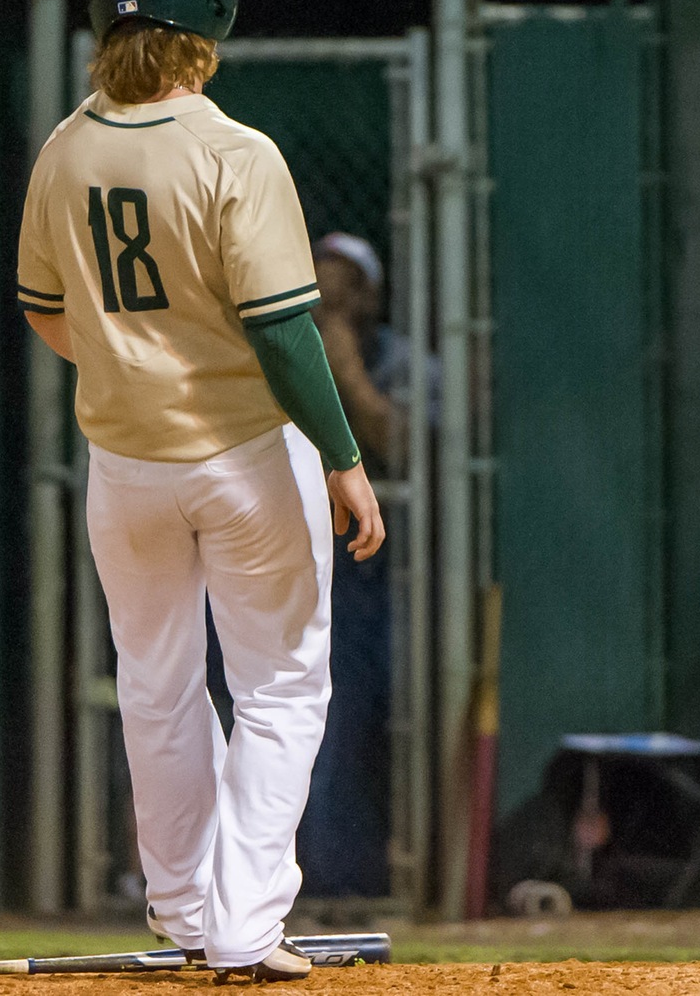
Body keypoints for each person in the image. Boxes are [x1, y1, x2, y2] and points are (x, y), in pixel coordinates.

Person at [17, 0, 382, 984]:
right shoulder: (235, 151)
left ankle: (183, 909)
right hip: (242, 454)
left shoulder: (66, 146)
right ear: (209, 18)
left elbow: (43, 307)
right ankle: (243, 925)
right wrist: (343, 456)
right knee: (280, 687)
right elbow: (284, 330)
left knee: (156, 686)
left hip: (123, 464)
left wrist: (128, 362)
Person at [296, 232, 410, 899]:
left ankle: (345, 879)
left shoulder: (402, 361)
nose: (326, 295)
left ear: (369, 297)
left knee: (352, 726)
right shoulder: (275, 351)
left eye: (343, 284)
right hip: (282, 564)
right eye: (317, 280)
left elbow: (400, 445)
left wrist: (341, 367)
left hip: (376, 575)